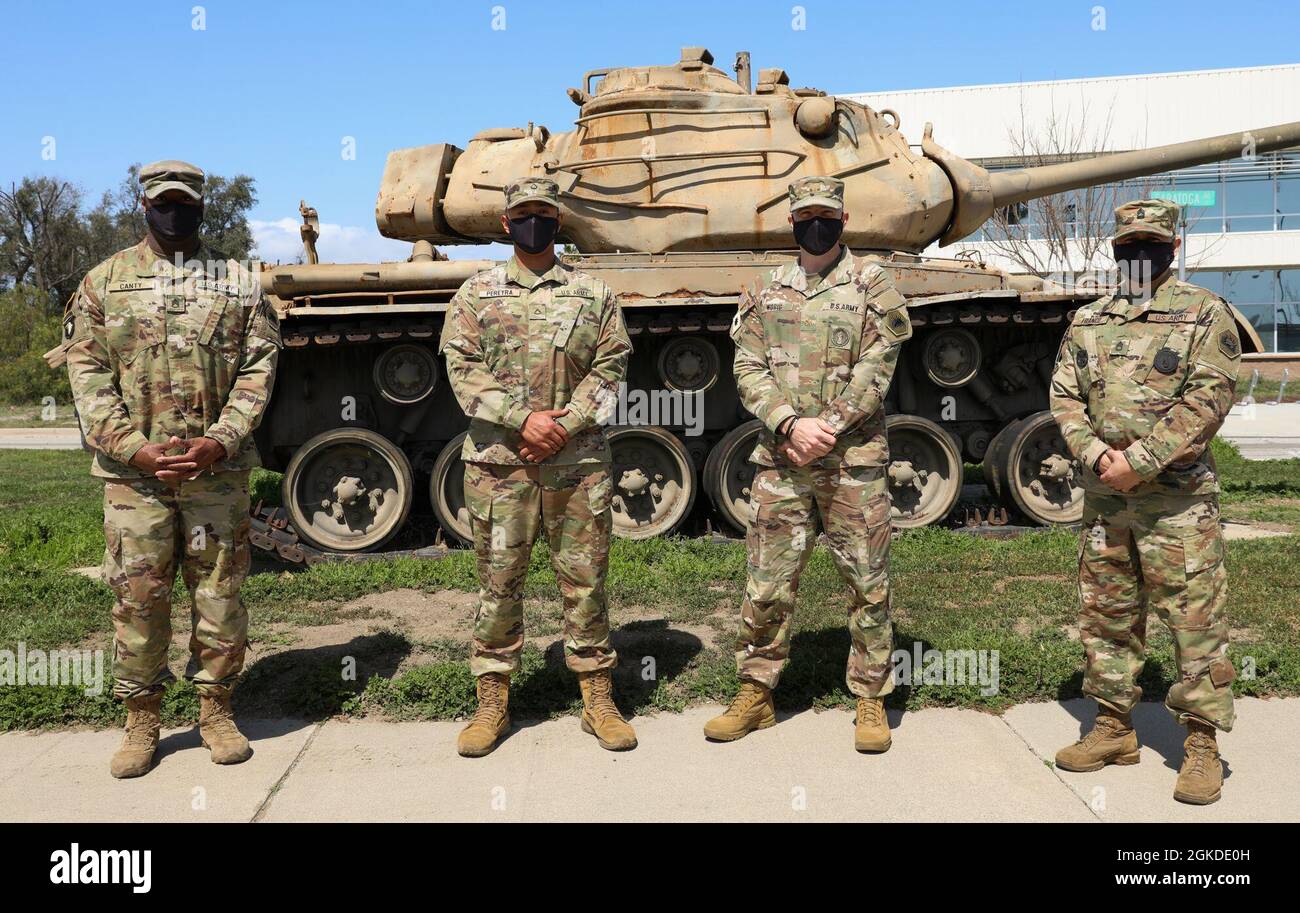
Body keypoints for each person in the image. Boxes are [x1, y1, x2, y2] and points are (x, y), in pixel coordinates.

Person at [62, 160, 280, 778]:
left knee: (219, 594)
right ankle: (142, 718)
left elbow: (259, 372)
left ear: (202, 205)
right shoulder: (104, 283)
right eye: (163, 201)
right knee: (138, 598)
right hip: (136, 480)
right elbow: (88, 376)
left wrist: (221, 440)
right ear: (144, 205)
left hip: (216, 475)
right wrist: (133, 447)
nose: (174, 211)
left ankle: (215, 709)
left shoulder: (239, 283)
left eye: (185, 201)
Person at [704, 175, 912, 751]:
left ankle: (870, 697)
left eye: (826, 215)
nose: (816, 225)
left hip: (853, 460)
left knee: (867, 581)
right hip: (782, 457)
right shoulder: (766, 289)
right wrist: (790, 424)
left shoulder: (873, 285)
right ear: (792, 223)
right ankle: (756, 691)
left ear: (842, 221)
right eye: (806, 216)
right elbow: (746, 367)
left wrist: (831, 424)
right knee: (767, 583)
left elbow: (880, 363)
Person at [1050, 199, 1241, 805]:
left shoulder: (1203, 315)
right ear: (1114, 250)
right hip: (1107, 501)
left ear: (1172, 249)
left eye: (1151, 245)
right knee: (1106, 615)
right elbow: (1064, 396)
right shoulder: (1088, 320)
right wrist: (1097, 456)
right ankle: (1112, 727)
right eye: (1128, 245)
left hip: (1176, 502)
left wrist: (1140, 460)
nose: (1139, 255)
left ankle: (1202, 743)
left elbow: (1209, 398)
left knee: (1194, 621)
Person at [439, 176, 635, 757]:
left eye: (543, 214)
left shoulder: (592, 293)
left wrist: (564, 425)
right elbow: (463, 369)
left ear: (557, 220)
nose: (533, 223)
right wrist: (524, 420)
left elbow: (613, 364)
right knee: (498, 582)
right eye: (522, 214)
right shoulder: (476, 294)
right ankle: (492, 700)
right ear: (506, 224)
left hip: (577, 465)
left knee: (585, 581)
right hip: (501, 465)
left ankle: (597, 697)